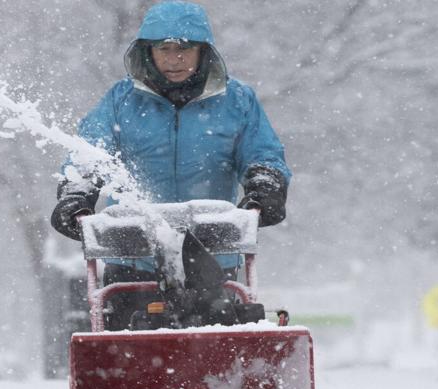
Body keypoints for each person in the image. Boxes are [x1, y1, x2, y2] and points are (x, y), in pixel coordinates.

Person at [50, 1, 291, 329]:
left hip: (211, 258)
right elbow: (89, 154)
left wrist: (266, 185)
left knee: (214, 355)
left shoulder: (237, 102)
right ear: (148, 52)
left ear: (203, 52)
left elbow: (262, 153)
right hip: (133, 258)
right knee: (129, 358)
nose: (173, 59)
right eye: (164, 49)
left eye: (184, 49)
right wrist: (77, 192)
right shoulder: (121, 103)